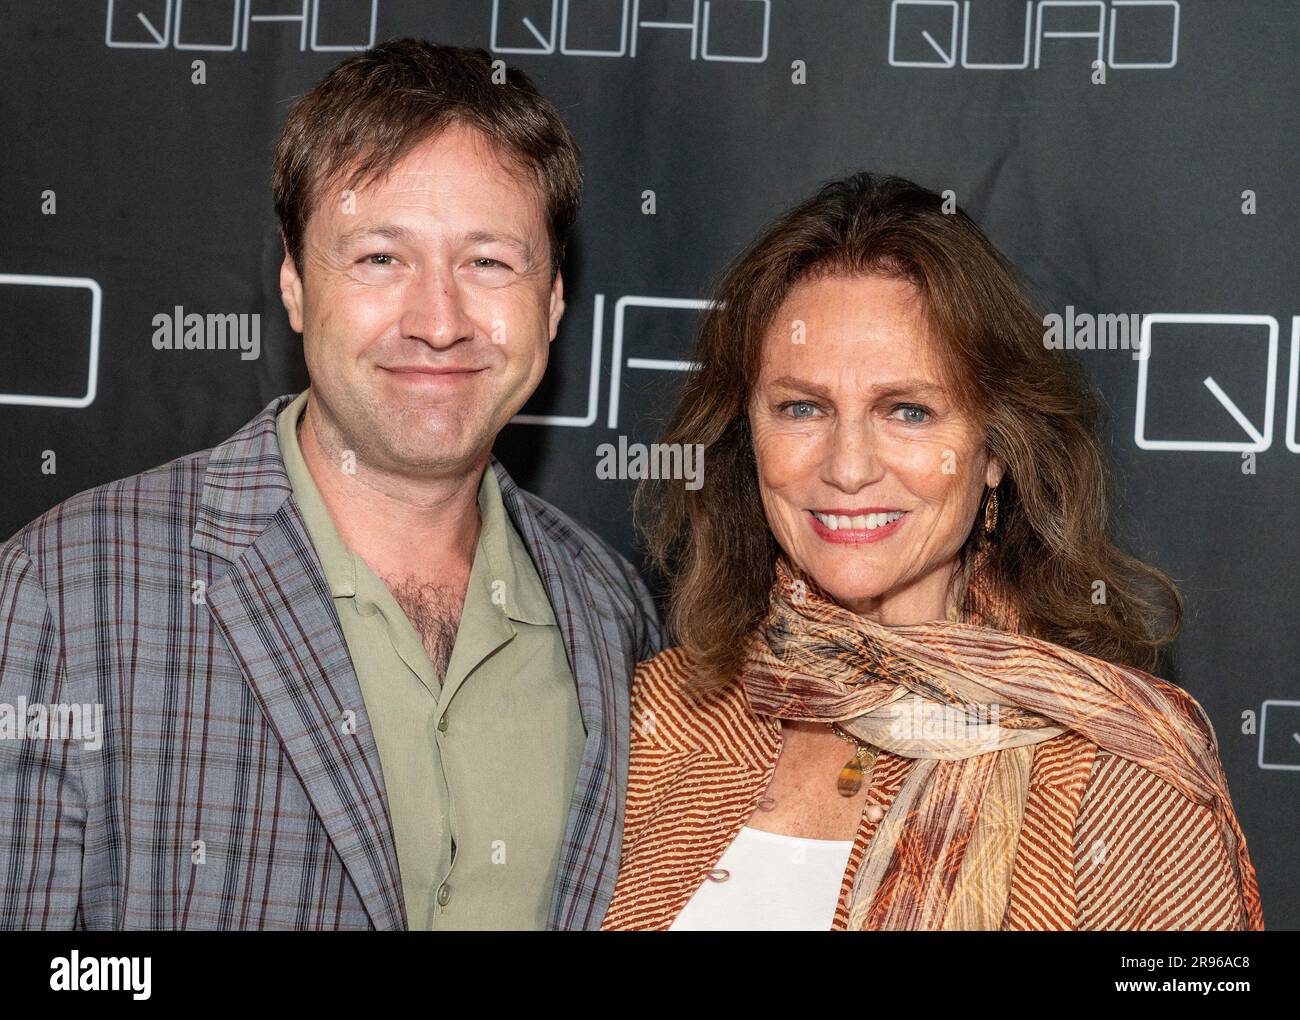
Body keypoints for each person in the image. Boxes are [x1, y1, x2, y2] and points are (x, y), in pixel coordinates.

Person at [0, 39, 663, 931]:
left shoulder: (613, 615)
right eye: (381, 259)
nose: (439, 322)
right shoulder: (72, 590)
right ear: (295, 285)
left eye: (490, 263)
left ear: (550, 304)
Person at [600, 171, 1264, 931]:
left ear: (995, 452)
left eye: (908, 410)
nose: (848, 467)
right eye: (802, 408)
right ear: (746, 437)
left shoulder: (1121, 773)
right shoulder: (655, 717)